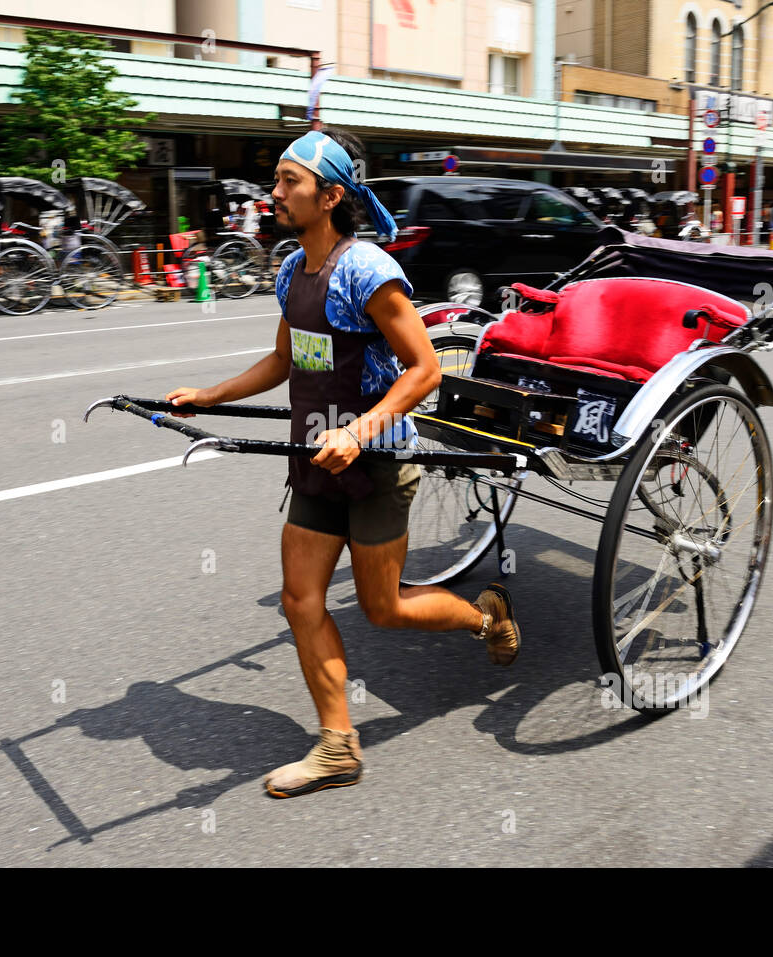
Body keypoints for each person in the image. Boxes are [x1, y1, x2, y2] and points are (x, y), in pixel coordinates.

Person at [164, 127, 522, 799]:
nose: (274, 193)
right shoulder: (291, 268)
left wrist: (360, 431)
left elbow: (423, 371)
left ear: (329, 196)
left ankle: (486, 618)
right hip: (314, 456)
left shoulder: (367, 272)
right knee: (301, 601)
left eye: (287, 182)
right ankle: (338, 746)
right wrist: (207, 395)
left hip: (377, 461)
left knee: (382, 607)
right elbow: (284, 359)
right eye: (275, 181)